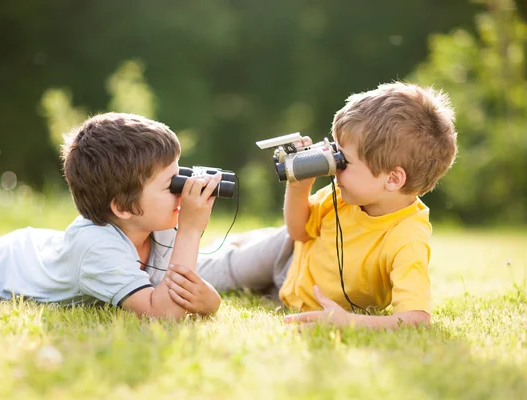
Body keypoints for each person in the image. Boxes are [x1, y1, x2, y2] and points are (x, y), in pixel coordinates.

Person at [192, 82, 458, 329]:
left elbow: (415, 319)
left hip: (290, 291)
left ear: (393, 178)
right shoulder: (346, 195)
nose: (334, 168)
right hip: (287, 255)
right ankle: (167, 259)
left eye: (344, 160)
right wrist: (298, 187)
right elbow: (298, 232)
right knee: (218, 273)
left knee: (254, 281)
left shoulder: (407, 238)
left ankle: (241, 243)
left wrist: (349, 321)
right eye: (334, 151)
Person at [0, 112, 222, 319]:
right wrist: (191, 230)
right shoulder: (96, 245)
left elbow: (177, 293)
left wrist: (209, 302)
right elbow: (162, 312)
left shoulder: (158, 225)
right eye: (170, 185)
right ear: (123, 206)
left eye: (179, 176)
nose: (181, 190)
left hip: (32, 252)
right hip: (1, 264)